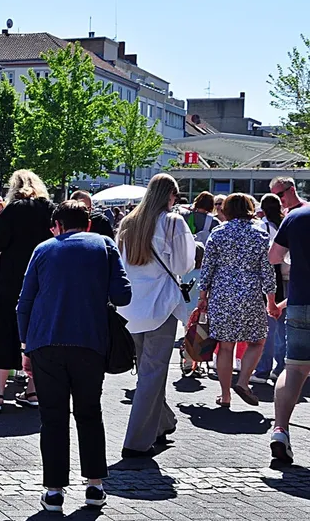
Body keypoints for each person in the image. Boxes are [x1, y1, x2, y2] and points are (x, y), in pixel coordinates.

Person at [18, 201, 132, 511]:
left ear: (57, 225)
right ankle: (94, 485)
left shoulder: (43, 249)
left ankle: (54, 491)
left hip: (45, 342)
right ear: (88, 224)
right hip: (89, 342)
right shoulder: (104, 245)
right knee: (89, 413)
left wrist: (25, 345)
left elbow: (24, 302)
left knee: (53, 417)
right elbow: (123, 295)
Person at [115, 173, 195, 458]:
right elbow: (184, 265)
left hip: (131, 307)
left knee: (147, 372)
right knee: (152, 374)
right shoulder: (173, 222)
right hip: (161, 305)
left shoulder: (128, 222)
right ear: (170, 196)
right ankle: (136, 441)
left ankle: (163, 423)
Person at [197, 193, 277, 407]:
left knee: (225, 346)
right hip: (250, 295)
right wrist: (271, 300)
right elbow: (267, 271)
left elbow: (207, 267)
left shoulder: (218, 233)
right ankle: (242, 382)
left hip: (222, 295)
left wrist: (203, 295)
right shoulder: (260, 234)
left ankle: (225, 395)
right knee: (257, 341)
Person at [0, 170, 55, 411]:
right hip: (42, 280)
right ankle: (32, 391)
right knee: (37, 333)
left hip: (12, 279)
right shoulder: (50, 209)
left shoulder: (14, 209)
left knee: (5, 331)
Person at [270, 180, 309, 463]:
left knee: (294, 368)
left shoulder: (296, 217)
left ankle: (280, 430)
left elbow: (274, 256)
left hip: (300, 304)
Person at [255, 194, 289, 384]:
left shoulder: (263, 226)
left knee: (267, 327)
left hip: (270, 279)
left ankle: (263, 369)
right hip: (289, 277)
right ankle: (281, 367)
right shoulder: (286, 223)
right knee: (283, 327)